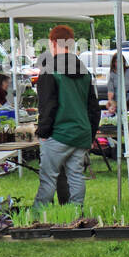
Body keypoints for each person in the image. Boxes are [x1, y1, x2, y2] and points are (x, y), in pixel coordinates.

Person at [32, 25, 100, 209]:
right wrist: (91, 133)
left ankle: (39, 217)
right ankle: (75, 214)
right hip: (81, 133)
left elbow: (48, 105)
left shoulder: (50, 69)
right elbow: (93, 108)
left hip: (59, 133)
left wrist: (43, 131)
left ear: (53, 42)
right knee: (76, 176)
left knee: (48, 179)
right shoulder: (84, 70)